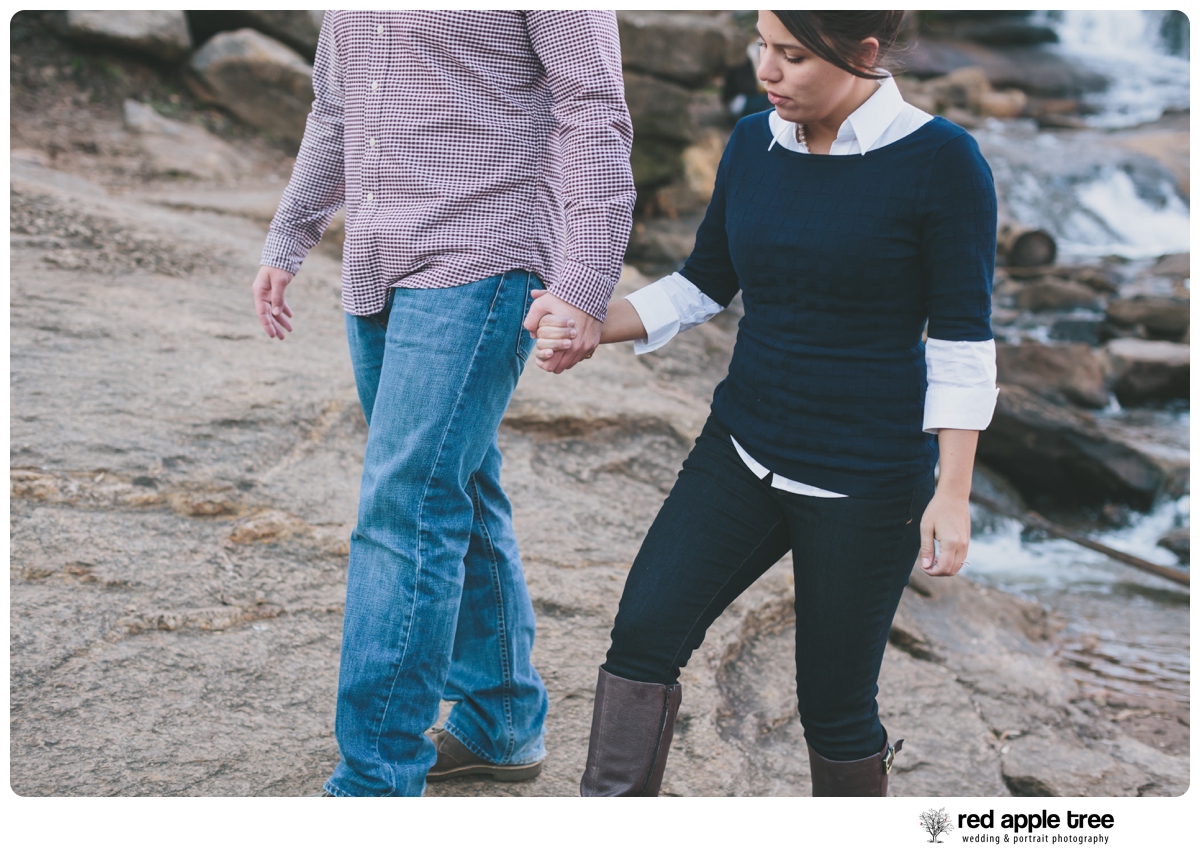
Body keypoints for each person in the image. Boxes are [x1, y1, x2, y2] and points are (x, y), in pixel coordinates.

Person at [532, 10, 998, 797]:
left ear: (864, 54)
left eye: (791, 55)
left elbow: (961, 340)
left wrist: (953, 493)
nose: (766, 71)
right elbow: (704, 280)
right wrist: (591, 324)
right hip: (740, 448)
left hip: (867, 479)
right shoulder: (754, 141)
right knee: (643, 633)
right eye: (762, 46)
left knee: (836, 707)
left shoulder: (944, 162)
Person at [251, 11, 635, 797]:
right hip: (377, 258)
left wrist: (584, 282)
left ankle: (376, 777)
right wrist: (289, 236)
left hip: (485, 254)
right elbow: (336, 104)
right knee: (451, 485)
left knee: (404, 508)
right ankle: (502, 718)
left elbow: (593, 110)